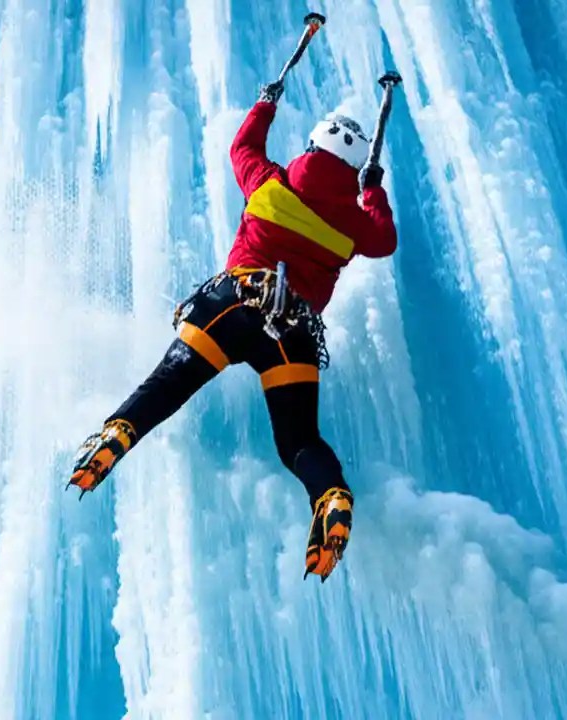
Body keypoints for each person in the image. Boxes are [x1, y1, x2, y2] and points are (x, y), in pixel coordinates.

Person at [68, 79, 398, 581]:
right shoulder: (352, 224)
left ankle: (117, 432)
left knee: (166, 387)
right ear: (349, 170)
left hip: (233, 304)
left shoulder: (269, 183)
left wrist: (266, 104)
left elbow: (242, 146)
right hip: (293, 333)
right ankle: (330, 496)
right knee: (299, 442)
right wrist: (371, 188)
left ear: (311, 147)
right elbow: (384, 239)